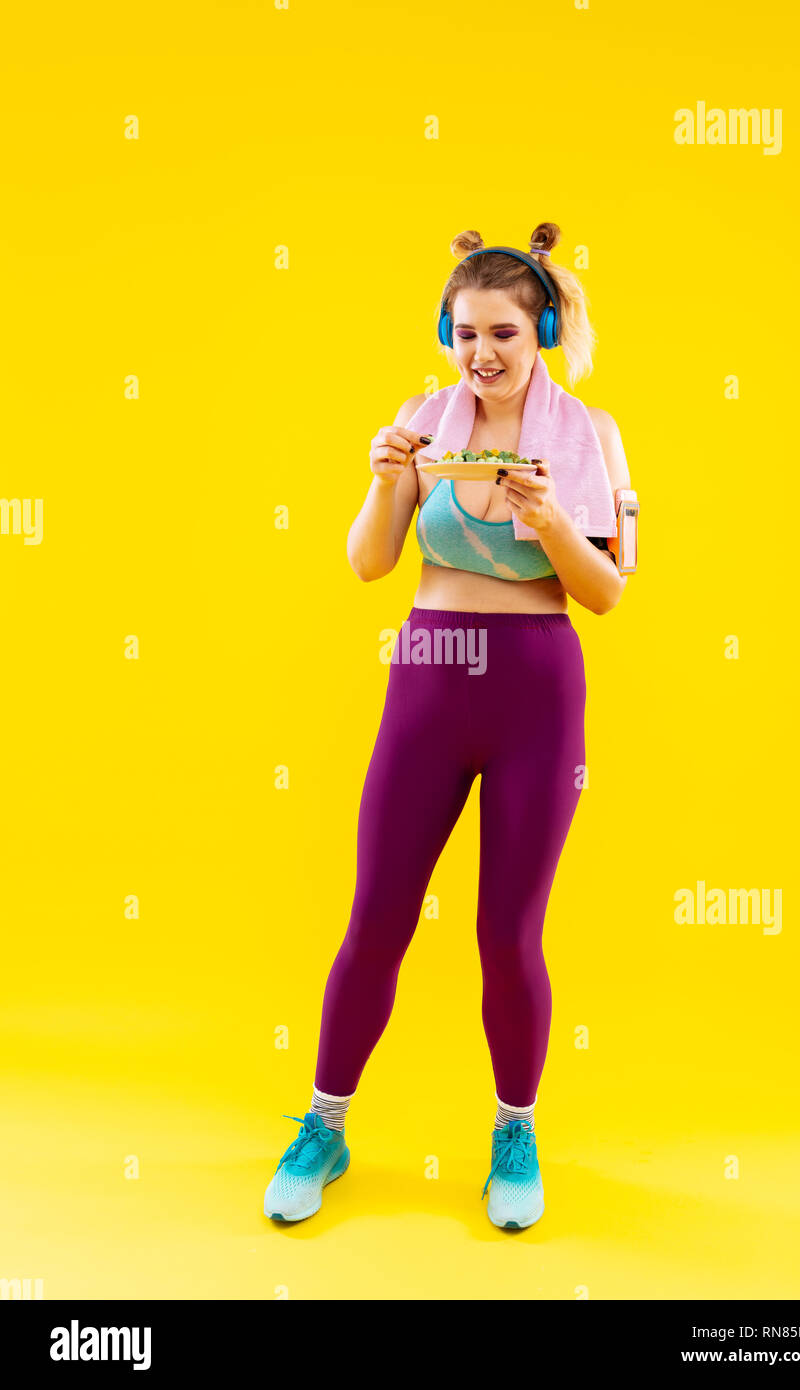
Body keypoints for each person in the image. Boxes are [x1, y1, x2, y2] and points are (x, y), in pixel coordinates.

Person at [264, 221, 632, 1230]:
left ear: (542, 328)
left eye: (505, 331)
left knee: (506, 933)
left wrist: (553, 519)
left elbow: (602, 594)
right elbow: (367, 563)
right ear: (445, 330)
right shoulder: (421, 421)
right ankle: (323, 1125)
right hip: (428, 672)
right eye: (465, 331)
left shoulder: (589, 435)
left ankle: (514, 1131)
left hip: (536, 684)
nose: (483, 352)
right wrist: (388, 477)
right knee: (375, 915)